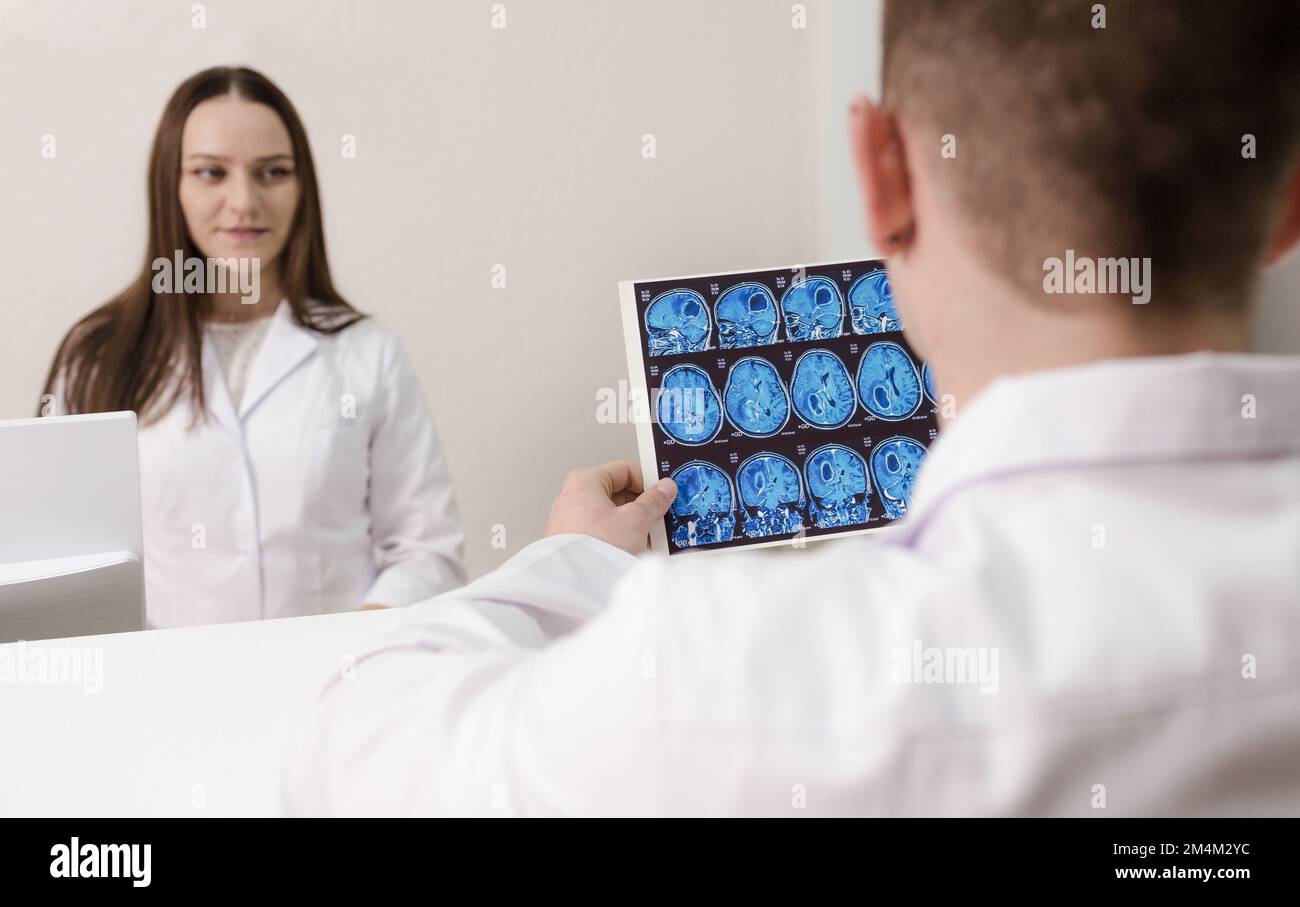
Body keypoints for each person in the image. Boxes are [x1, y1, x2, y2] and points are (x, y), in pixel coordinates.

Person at [283, 1, 1300, 816]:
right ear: (1288, 204)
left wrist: (577, 563)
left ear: (882, 175)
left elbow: (344, 739)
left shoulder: (722, 677)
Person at [41, 67, 466, 628]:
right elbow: (62, 562)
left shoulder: (369, 353)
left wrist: (351, 647)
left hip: (335, 689)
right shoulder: (97, 354)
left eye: (272, 172)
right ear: (171, 185)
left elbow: (427, 551)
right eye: (211, 172)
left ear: (302, 187)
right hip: (159, 696)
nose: (243, 201)